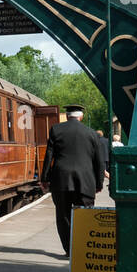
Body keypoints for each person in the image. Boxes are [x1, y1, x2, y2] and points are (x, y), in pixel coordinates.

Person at [40, 104, 107, 256]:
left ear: (67, 115)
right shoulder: (92, 133)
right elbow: (99, 161)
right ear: (81, 116)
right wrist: (99, 183)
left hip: (61, 180)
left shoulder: (56, 130)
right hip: (85, 182)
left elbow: (49, 156)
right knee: (85, 215)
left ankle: (69, 250)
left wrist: (45, 178)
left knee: (63, 216)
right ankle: (83, 249)